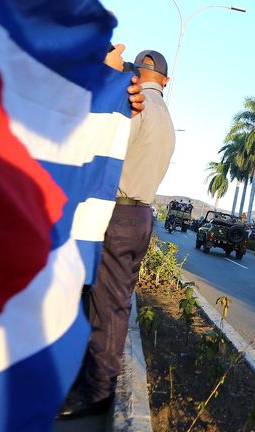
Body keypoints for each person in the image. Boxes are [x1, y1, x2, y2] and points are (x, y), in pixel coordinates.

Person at [59, 49, 175, 419]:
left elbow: (99, 147)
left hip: (117, 214)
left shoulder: (134, 106)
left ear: (136, 75)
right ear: (167, 82)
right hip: (140, 215)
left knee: (105, 306)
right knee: (109, 302)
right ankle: (88, 381)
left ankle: (96, 393)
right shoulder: (167, 117)